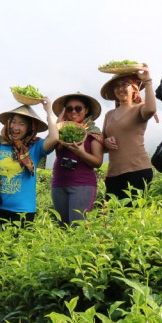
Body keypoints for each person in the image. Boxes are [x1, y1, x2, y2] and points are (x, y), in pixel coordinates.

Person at [0, 100, 59, 228]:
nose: (16, 127)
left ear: (29, 128)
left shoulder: (35, 147)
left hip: (24, 211)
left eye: (22, 124)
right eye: (14, 122)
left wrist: (48, 111)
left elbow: (54, 137)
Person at [100, 66, 157, 198]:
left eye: (125, 84)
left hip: (138, 170)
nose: (120, 89)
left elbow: (151, 109)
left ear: (134, 88)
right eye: (116, 86)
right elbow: (102, 143)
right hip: (113, 174)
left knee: (135, 215)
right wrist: (105, 142)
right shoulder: (109, 115)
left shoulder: (140, 109)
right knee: (113, 216)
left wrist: (147, 81)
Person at [48, 92, 104, 225]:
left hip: (83, 184)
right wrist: (56, 125)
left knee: (78, 227)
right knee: (62, 228)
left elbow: (98, 162)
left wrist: (81, 153)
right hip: (59, 183)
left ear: (86, 110)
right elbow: (46, 147)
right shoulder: (59, 130)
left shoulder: (93, 131)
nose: (74, 111)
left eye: (78, 108)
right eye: (69, 108)